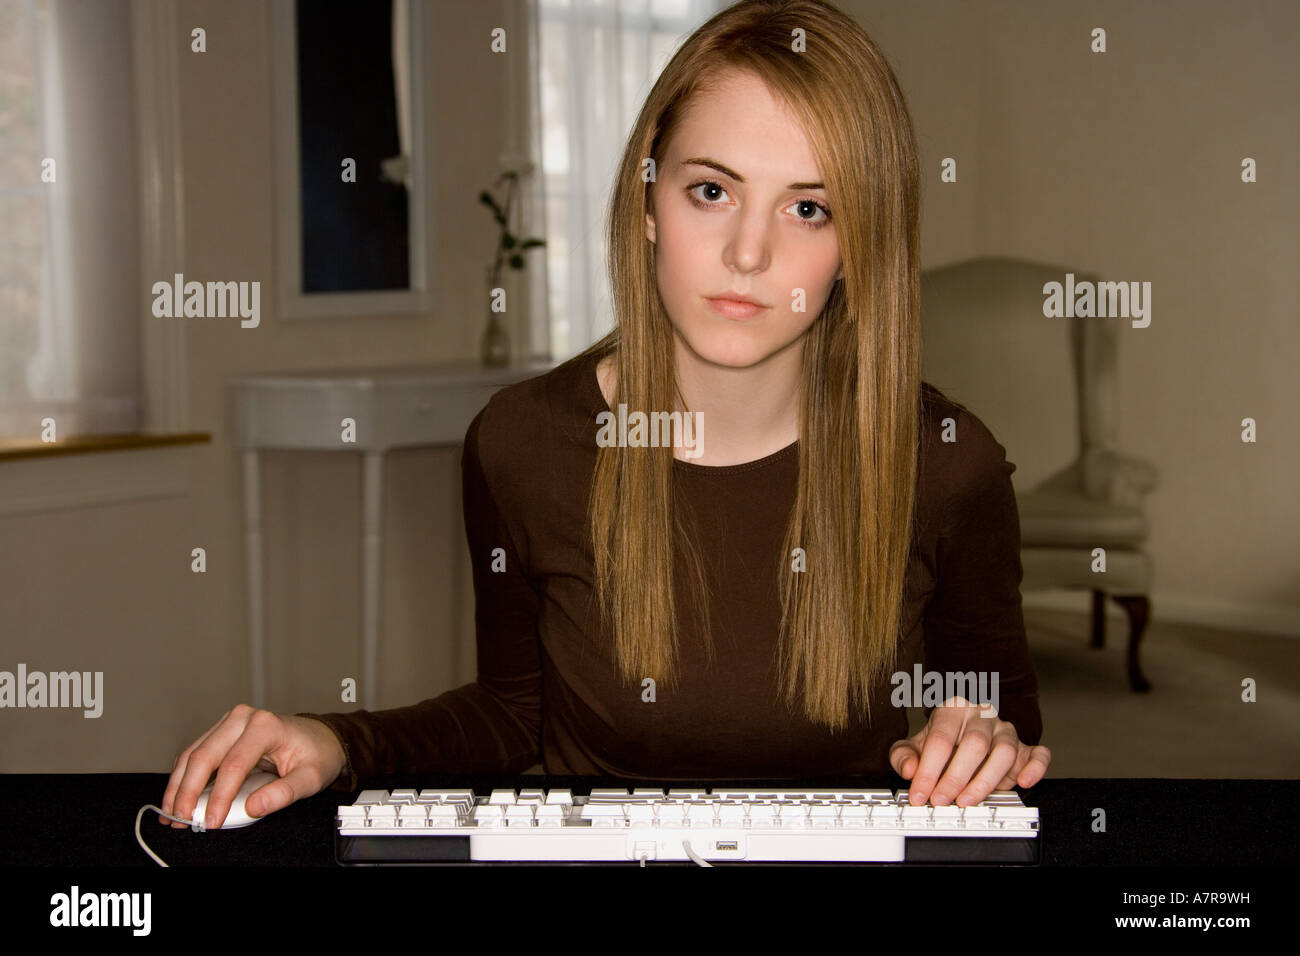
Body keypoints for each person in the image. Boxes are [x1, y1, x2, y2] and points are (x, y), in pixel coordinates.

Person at [162, 0, 1049, 832]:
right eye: (713, 191)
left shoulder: (946, 463)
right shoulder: (522, 445)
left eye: (808, 208)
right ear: (650, 199)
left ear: (857, 246)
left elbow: (995, 721)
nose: (748, 252)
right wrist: (342, 743)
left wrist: (980, 749)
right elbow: (514, 716)